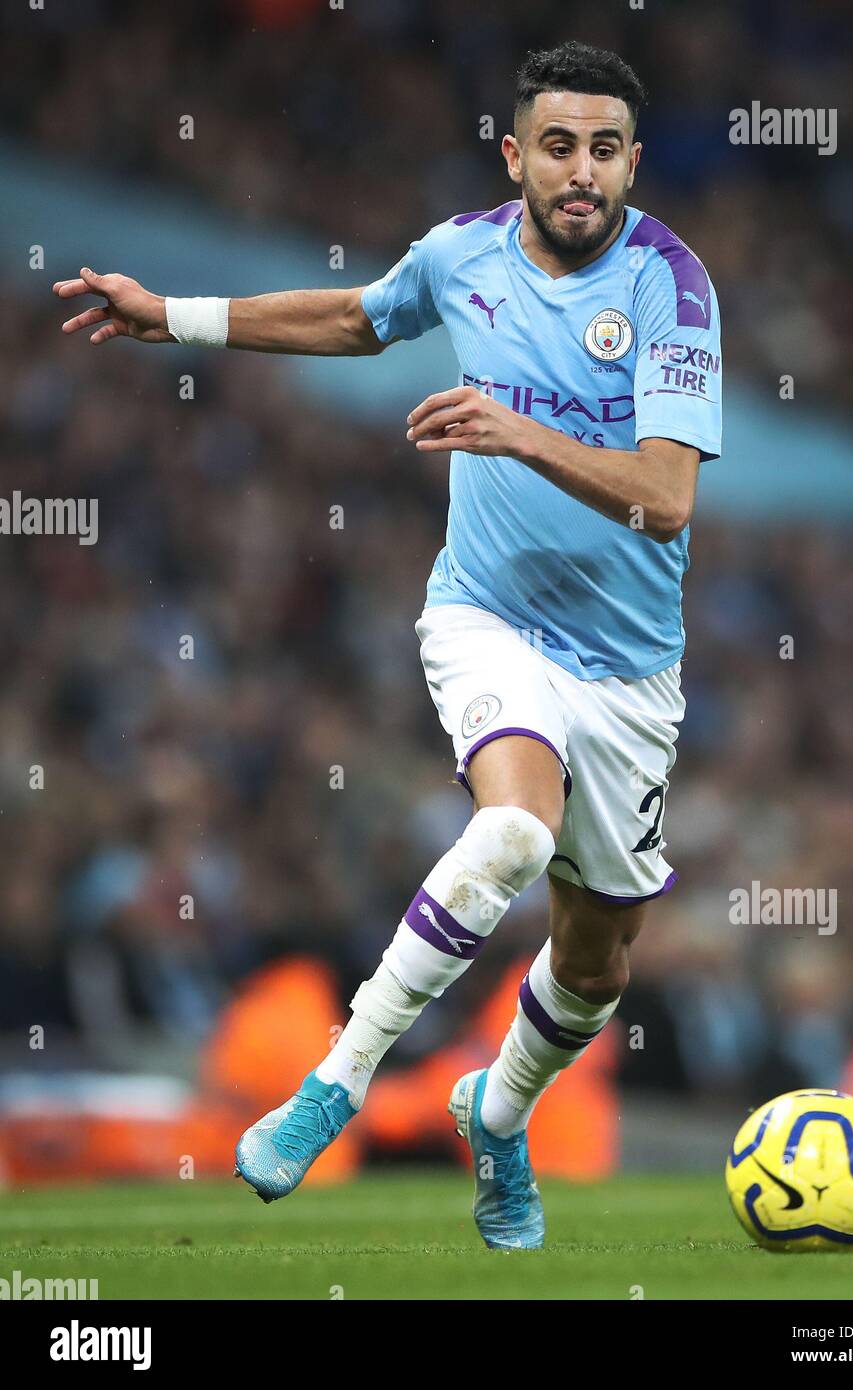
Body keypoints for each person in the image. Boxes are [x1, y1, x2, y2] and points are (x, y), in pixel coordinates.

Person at [53, 40, 723, 1250]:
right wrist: (173, 317)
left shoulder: (670, 290)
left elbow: (666, 499)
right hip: (488, 617)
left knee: (597, 967)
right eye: (558, 146)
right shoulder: (461, 254)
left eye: (605, 149)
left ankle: (496, 1112)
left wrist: (518, 432)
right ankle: (334, 1084)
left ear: (632, 164)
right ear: (514, 156)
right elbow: (358, 319)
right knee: (512, 829)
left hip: (629, 667)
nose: (581, 172)